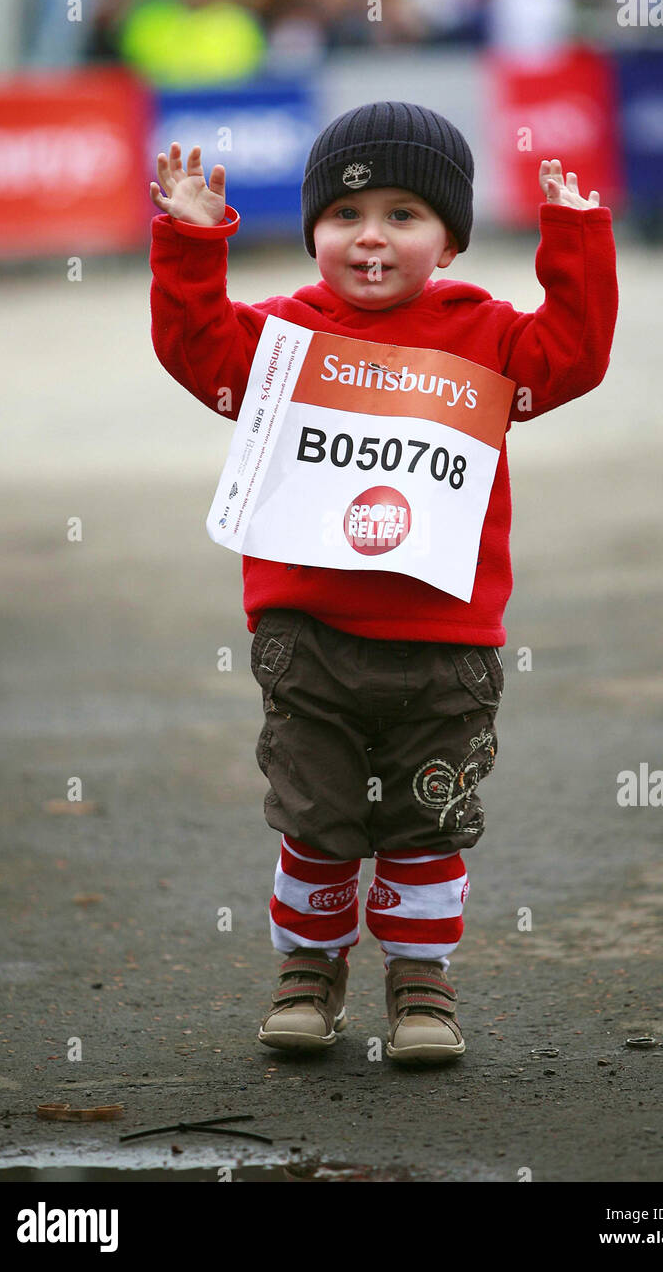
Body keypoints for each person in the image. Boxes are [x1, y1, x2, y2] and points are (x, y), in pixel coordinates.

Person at [148, 103, 618, 1064]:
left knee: (425, 820)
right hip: (307, 638)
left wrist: (574, 242)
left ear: (449, 238)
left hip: (448, 646)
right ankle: (309, 974)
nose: (371, 238)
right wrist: (192, 245)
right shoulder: (279, 336)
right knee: (315, 820)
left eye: (404, 215)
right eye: (346, 215)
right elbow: (198, 353)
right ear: (313, 229)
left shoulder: (485, 335)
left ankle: (421, 984)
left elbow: (571, 357)